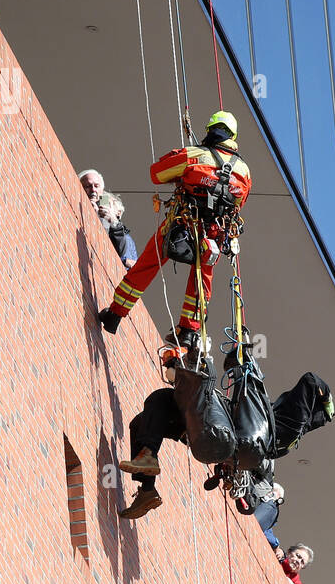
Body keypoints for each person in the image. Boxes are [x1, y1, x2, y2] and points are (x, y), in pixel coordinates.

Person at [99, 111, 252, 348]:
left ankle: (115, 314)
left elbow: (157, 173)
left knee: (147, 264)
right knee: (203, 280)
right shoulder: (244, 171)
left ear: (211, 130)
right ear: (233, 136)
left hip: (183, 223)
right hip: (214, 233)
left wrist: (184, 173)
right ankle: (189, 332)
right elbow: (239, 203)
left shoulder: (194, 155)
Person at [115, 388, 186, 519]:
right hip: (191, 416)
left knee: (160, 397)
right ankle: (147, 490)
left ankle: (148, 455)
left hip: (201, 414)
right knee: (139, 424)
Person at [79, 169, 138, 268]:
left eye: (96, 186)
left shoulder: (120, 232)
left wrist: (106, 219)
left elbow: (121, 254)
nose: (93, 190)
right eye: (88, 186)